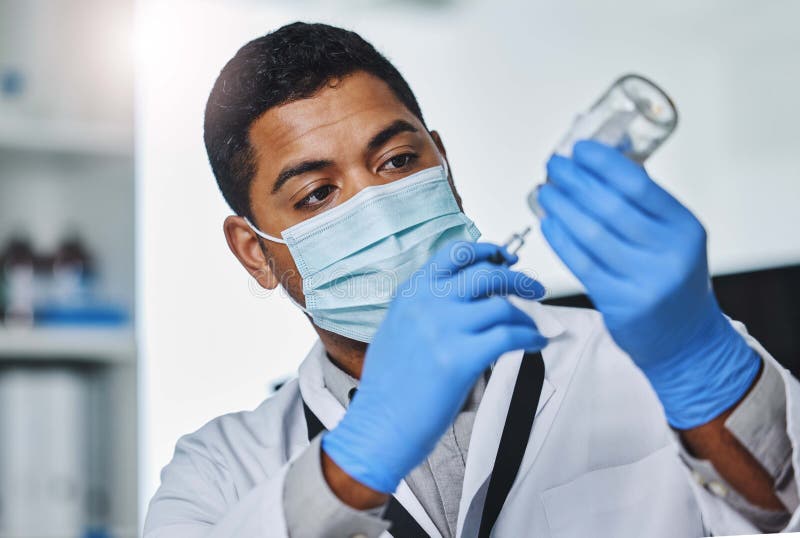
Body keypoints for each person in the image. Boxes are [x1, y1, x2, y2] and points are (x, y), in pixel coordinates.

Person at [144, 22, 800, 537]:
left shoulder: (634, 363)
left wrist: (697, 360)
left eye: (398, 159)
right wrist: (358, 456)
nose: (377, 201)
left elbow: (784, 513)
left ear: (445, 164)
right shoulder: (221, 469)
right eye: (317, 194)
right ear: (253, 252)